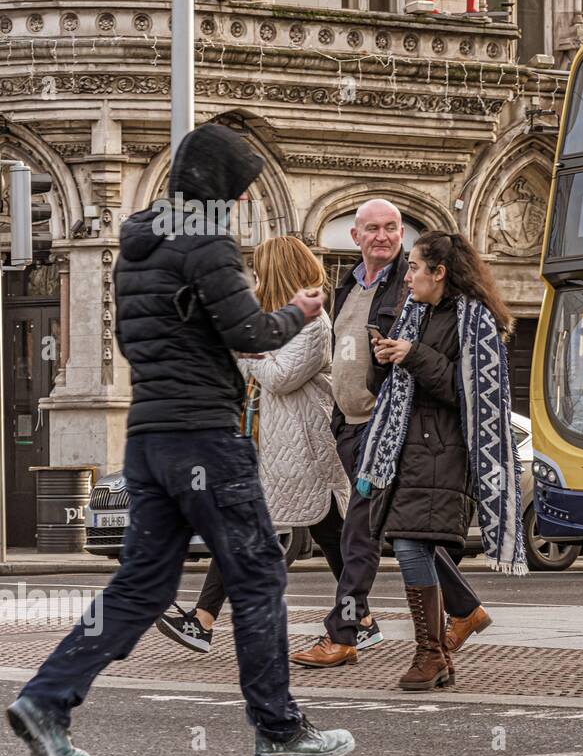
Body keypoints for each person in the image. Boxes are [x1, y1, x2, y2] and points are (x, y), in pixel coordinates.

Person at [5, 124, 354, 756]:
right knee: (258, 576)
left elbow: (142, 340)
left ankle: (47, 699)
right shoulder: (207, 242)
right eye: (240, 191)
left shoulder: (136, 250)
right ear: (217, 187)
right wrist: (300, 313)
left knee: (141, 583)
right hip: (206, 437)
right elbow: (250, 333)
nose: (244, 205)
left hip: (148, 437)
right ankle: (279, 729)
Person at [154, 236, 354, 654]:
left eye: (261, 272)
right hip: (274, 447)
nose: (256, 279)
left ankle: (361, 616)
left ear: (278, 273)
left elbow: (280, 376)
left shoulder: (314, 324)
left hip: (304, 445)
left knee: (330, 533)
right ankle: (203, 621)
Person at [357, 231, 526, 691]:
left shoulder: (477, 322)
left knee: (412, 544)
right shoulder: (415, 313)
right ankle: (446, 641)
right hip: (409, 448)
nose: (407, 275)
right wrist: (389, 354)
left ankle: (431, 651)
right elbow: (387, 384)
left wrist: (413, 356)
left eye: (414, 267)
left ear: (440, 273)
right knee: (413, 544)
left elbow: (471, 393)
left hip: (446, 450)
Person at [290, 199, 411, 668]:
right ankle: (465, 610)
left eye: (392, 228)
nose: (383, 236)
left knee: (358, 533)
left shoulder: (408, 286)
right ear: (355, 237)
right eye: (372, 229)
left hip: (386, 427)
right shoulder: (347, 284)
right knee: (406, 534)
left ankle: (342, 634)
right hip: (351, 427)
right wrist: (341, 420)